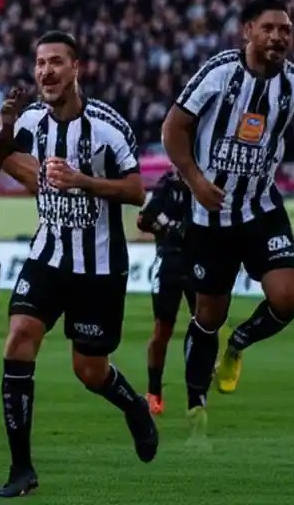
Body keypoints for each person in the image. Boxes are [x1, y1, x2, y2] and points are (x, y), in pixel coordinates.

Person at [0, 31, 157, 498]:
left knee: (90, 370)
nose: (46, 71)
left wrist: (81, 180)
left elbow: (135, 191)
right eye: (40, 63)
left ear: (76, 68)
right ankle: (22, 469)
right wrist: (6, 127)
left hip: (98, 266)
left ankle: (133, 406)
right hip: (47, 256)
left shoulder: (107, 125)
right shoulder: (33, 120)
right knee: (18, 342)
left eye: (56, 62)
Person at [160, 0, 294, 448]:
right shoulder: (219, 74)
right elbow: (173, 128)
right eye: (269, 28)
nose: (278, 37)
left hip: (259, 208)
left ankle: (239, 343)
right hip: (209, 214)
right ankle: (196, 407)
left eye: (286, 30)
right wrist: (195, 181)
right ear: (248, 31)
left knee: (287, 299)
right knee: (206, 317)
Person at [136, 170, 196, 415]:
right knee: (163, 329)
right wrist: (168, 226)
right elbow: (144, 218)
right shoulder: (166, 186)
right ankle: (154, 392)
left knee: (203, 325)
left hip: (198, 264)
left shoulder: (206, 184)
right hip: (168, 264)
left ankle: (196, 392)